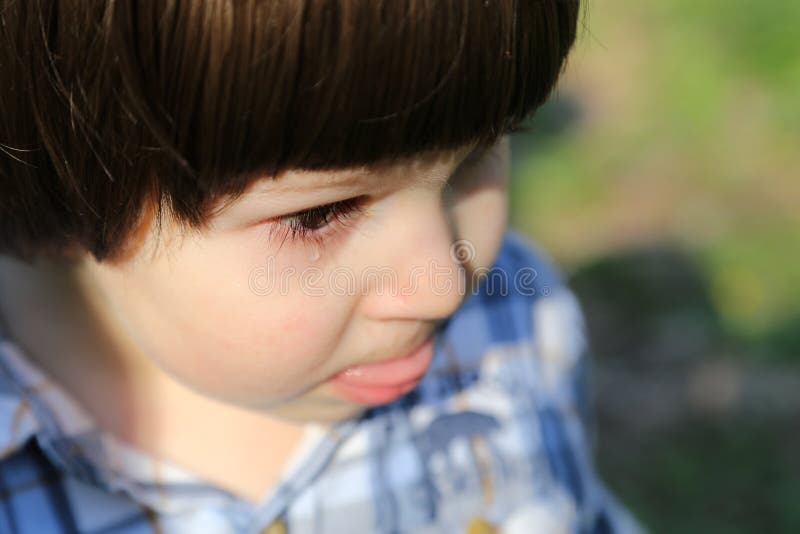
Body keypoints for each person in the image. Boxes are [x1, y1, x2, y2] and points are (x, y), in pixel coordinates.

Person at [0, 1, 646, 532]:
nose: (443, 288)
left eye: (476, 153)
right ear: (59, 178)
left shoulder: (516, 333)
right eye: (320, 214)